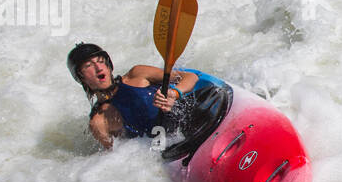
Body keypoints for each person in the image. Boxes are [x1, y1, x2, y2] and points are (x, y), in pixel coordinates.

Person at [66, 42, 224, 149]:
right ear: (82, 78)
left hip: (187, 118)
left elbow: (190, 77)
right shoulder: (99, 122)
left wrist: (174, 93)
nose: (97, 67)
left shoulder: (138, 74)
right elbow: (120, 159)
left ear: (108, 64)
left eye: (100, 61)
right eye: (88, 66)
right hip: (168, 144)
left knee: (214, 93)